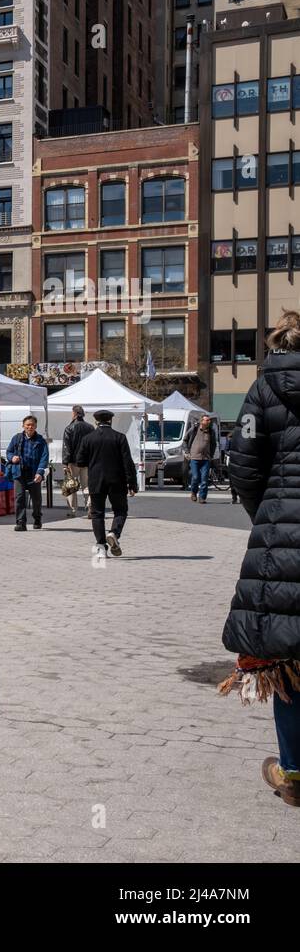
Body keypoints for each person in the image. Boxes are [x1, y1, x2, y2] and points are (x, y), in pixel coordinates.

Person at [221, 310, 300, 807]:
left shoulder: (263, 390)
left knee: (289, 658)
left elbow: (244, 466)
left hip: (280, 525)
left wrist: (266, 517)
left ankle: (293, 773)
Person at [76, 409, 137, 558]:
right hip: (117, 480)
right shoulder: (119, 437)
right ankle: (114, 532)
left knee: (97, 514)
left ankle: (101, 546)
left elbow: (80, 461)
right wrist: (132, 483)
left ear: (96, 422)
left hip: (96, 480)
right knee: (120, 511)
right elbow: (127, 462)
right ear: (111, 420)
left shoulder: (88, 438)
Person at [5, 415, 50, 531]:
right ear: (23, 426)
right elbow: (8, 452)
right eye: (28, 425)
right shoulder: (17, 438)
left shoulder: (40, 440)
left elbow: (44, 457)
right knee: (19, 498)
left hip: (34, 474)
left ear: (35, 426)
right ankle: (21, 523)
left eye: (32, 425)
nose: (30, 427)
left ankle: (37, 518)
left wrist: (40, 472)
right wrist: (12, 457)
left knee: (36, 499)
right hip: (19, 473)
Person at [60, 404, 94, 519]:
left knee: (71, 486)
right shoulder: (90, 427)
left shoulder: (69, 428)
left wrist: (65, 463)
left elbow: (66, 448)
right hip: (87, 462)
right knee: (87, 486)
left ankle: (73, 510)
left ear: (74, 413)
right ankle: (90, 507)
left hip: (73, 462)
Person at [182, 413, 218, 505]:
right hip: (194, 458)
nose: (209, 421)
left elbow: (214, 444)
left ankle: (202, 497)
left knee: (204, 479)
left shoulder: (211, 431)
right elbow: (185, 441)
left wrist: (211, 455)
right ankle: (193, 492)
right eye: (207, 420)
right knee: (195, 477)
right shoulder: (194, 429)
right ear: (202, 421)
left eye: (209, 420)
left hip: (206, 459)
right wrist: (187, 452)